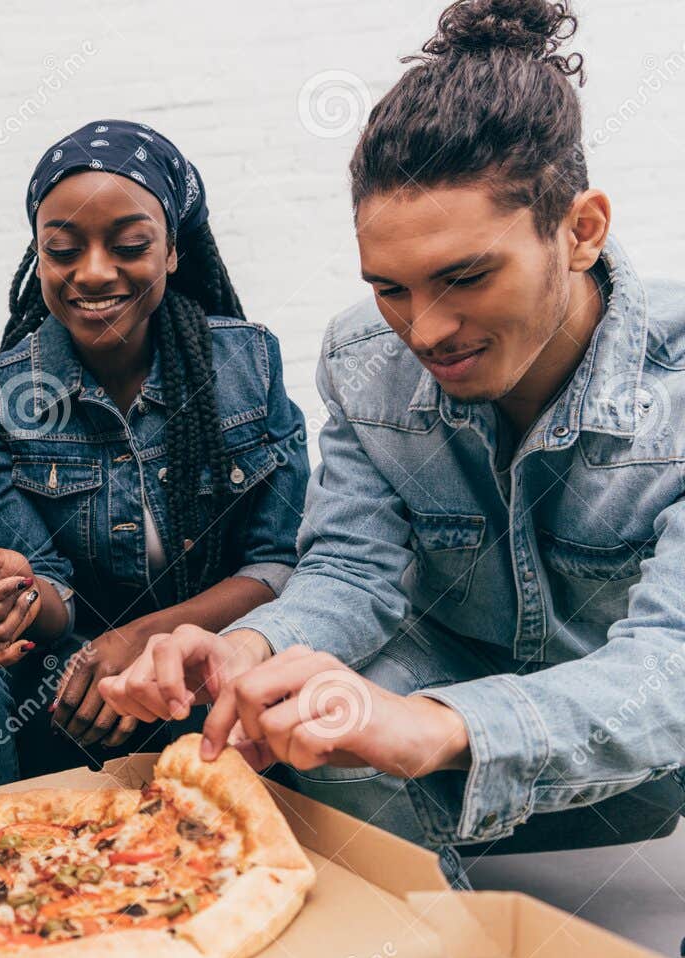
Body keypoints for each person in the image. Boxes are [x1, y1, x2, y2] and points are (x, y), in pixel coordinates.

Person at [100, 0, 685, 871]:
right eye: (393, 288)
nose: (427, 330)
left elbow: (670, 668)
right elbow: (351, 569)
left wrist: (438, 724)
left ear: (581, 231)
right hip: (450, 753)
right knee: (305, 710)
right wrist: (242, 650)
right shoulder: (364, 359)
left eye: (465, 276)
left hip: (639, 770)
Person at [0, 119, 309, 781]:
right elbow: (53, 590)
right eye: (62, 249)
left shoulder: (248, 365)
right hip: (75, 670)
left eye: (130, 244)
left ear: (172, 250)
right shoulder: (0, 398)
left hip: (215, 649)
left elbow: (276, 566)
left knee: (223, 688)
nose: (93, 272)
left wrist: (144, 640)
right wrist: (18, 595)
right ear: (37, 257)